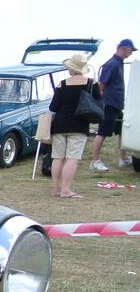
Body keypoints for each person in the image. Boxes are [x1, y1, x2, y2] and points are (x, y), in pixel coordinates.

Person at [49, 53, 103, 199]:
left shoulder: (62, 84)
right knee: (72, 158)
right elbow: (98, 101)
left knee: (58, 157)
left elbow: (53, 107)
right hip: (79, 125)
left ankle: (56, 189)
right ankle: (66, 190)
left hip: (59, 124)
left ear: (71, 68)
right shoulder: (91, 83)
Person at [89, 38, 134, 171]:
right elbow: (101, 84)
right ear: (124, 48)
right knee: (102, 132)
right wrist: (101, 101)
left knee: (122, 132)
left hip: (117, 105)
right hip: (109, 104)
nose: (131, 53)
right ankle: (95, 161)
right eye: (131, 50)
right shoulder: (112, 64)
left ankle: (123, 159)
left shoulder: (119, 63)